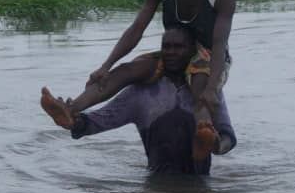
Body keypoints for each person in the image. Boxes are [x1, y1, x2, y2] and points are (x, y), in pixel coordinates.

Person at [41, 0, 236, 160]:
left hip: (209, 56)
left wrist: (212, 87)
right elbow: (136, 30)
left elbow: (220, 43)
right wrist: (106, 65)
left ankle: (204, 132)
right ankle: (71, 109)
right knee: (126, 70)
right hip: (174, 51)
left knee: (200, 83)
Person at [44, 24, 236, 176]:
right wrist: (75, 123)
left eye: (179, 47)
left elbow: (228, 136)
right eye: (166, 47)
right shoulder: (140, 93)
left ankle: (203, 145)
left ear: (193, 52)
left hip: (200, 184)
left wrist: (216, 145)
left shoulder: (207, 91)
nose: (171, 52)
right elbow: (100, 120)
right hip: (157, 179)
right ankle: (68, 113)